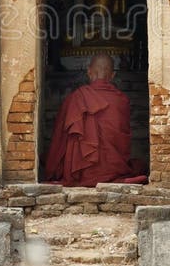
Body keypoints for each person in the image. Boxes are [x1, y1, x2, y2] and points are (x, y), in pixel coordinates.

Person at [43, 53, 147, 187]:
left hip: (79, 172)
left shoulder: (75, 98)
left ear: (89, 72)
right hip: (113, 169)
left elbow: (59, 140)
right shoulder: (122, 101)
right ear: (112, 75)